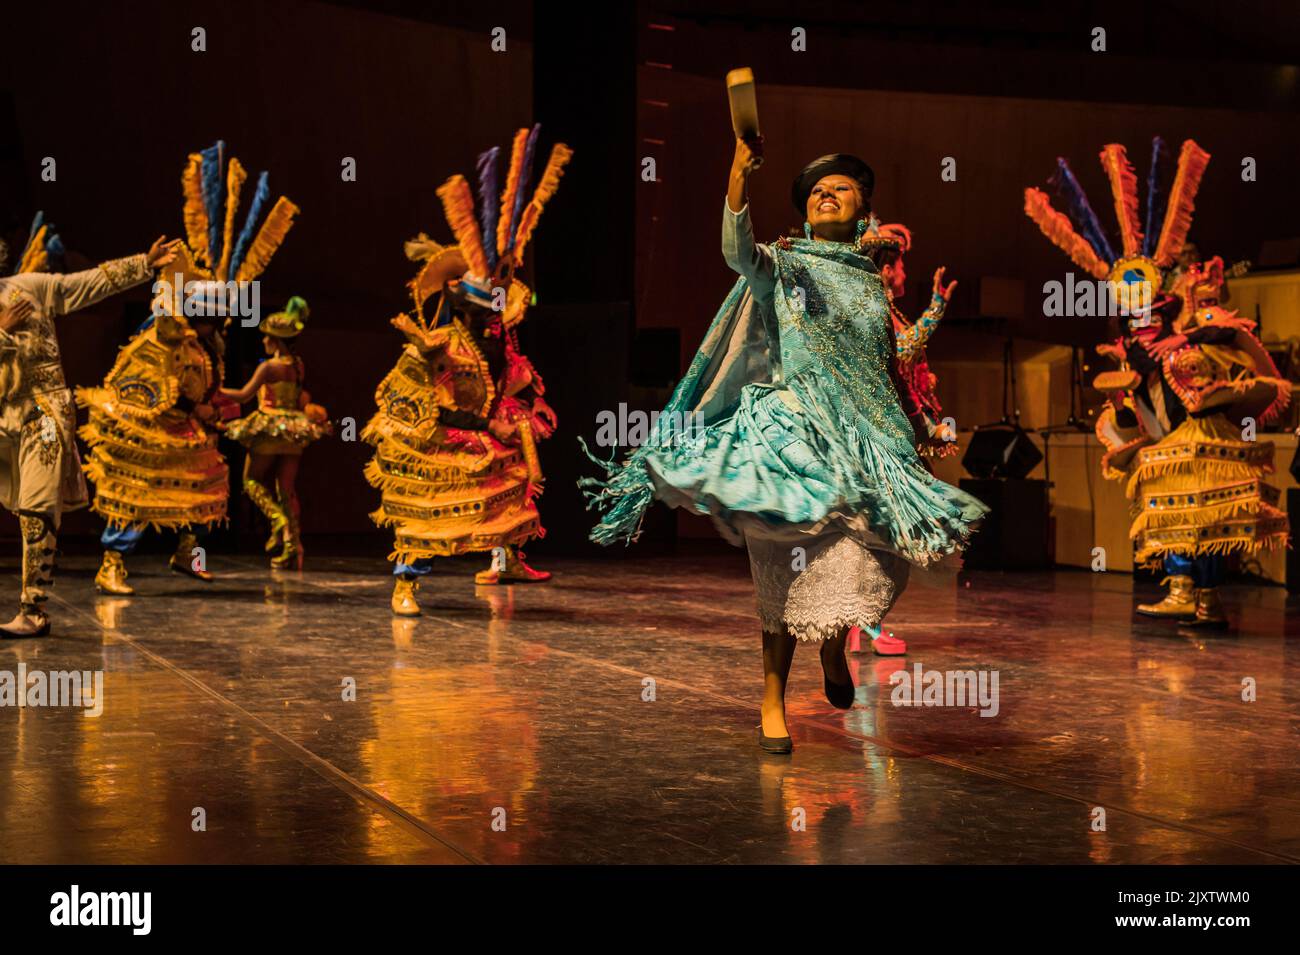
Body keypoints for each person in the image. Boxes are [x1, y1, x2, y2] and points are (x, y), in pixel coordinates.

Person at [581, 138, 987, 753]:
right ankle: (772, 700)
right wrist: (738, 175)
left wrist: (928, 334)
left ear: (864, 209)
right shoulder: (786, 263)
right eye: (816, 189)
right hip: (793, 436)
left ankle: (832, 646)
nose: (827, 191)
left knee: (871, 564)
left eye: (842, 186)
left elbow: (887, 361)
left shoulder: (872, 285)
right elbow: (736, 253)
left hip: (868, 442)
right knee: (784, 577)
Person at [1026, 137, 1290, 627]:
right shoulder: (1137, 350)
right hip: (1168, 440)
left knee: (1208, 519)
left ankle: (1205, 598)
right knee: (1175, 513)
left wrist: (1186, 352)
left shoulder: (1194, 331)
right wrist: (1124, 397)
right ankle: (1186, 590)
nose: (1134, 321)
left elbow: (1232, 348)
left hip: (1205, 438)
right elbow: (1135, 404)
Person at [79, 140, 299, 595]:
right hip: (151, 432)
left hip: (188, 431)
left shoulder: (209, 346)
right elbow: (145, 383)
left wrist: (218, 409)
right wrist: (185, 408)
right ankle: (112, 563)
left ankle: (187, 554)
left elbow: (209, 387)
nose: (220, 323)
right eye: (214, 317)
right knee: (138, 496)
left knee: (207, 491)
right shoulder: (162, 339)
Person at [364, 125, 568, 615]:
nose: (494, 321)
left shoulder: (499, 339)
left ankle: (505, 560)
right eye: (486, 315)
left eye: (498, 313)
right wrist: (486, 424)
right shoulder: (437, 349)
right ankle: (406, 582)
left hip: (484, 429)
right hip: (438, 441)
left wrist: (516, 409)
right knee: (432, 515)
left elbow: (511, 380)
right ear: (466, 311)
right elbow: (428, 412)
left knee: (516, 485)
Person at [0, 218, 180, 636]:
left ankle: (33, 609)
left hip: (44, 409)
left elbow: (88, 282)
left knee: (37, 506)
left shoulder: (32, 286)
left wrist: (145, 263)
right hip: (4, 418)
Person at [222, 297, 331, 570]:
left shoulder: (268, 367)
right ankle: (293, 545)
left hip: (270, 426)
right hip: (293, 431)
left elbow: (244, 395)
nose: (263, 342)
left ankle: (276, 520)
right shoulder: (298, 365)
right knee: (286, 489)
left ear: (275, 339)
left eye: (266, 338)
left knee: (250, 481)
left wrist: (215, 392)